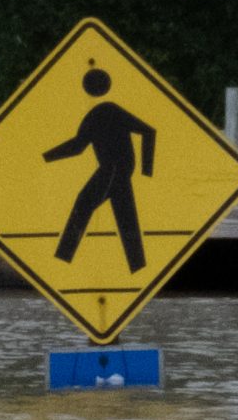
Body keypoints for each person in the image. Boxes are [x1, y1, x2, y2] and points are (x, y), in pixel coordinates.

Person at [43, 66, 157, 272]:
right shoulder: (94, 115)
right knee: (125, 217)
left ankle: (61, 261)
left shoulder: (108, 110)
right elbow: (78, 147)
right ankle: (138, 267)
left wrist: (147, 171)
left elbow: (149, 131)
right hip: (117, 170)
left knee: (84, 204)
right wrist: (45, 157)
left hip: (113, 169)